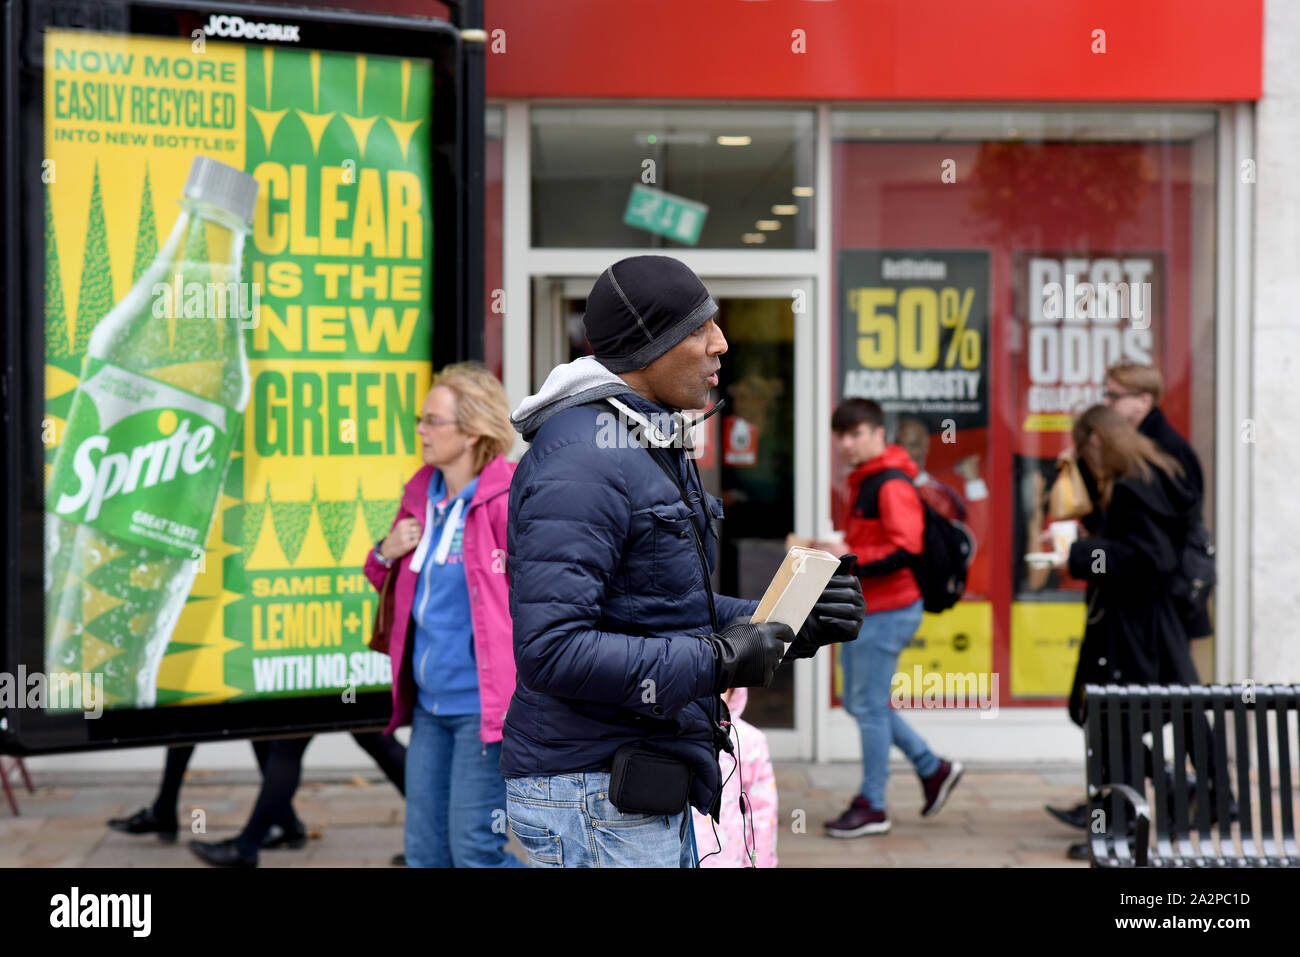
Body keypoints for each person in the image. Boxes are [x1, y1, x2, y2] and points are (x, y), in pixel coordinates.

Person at [501, 255, 864, 868]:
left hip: (626, 783)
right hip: (594, 792)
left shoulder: (643, 441)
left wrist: (784, 623)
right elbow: (552, 650)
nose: (721, 343)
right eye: (701, 328)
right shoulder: (583, 460)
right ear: (650, 346)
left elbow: (662, 608)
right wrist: (717, 657)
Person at [362, 362, 524, 868]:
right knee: (425, 853)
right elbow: (384, 577)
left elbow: (541, 591)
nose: (421, 430)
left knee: (475, 850)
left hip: (485, 710)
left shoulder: (507, 497)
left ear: (473, 431)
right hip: (430, 706)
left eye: (433, 420)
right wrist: (385, 551)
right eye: (421, 418)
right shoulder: (421, 494)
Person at [1051, 404, 1214, 858]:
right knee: (1106, 719)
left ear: (1098, 443)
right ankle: (1153, 797)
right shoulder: (1149, 473)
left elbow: (1149, 558)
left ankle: (1118, 834)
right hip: (1144, 622)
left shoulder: (1133, 486)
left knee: (1111, 723)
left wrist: (1083, 555)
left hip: (1134, 624)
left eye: (1086, 449)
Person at [823, 398, 963, 838]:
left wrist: (847, 560)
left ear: (878, 434)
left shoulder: (888, 483)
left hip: (890, 610)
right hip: (873, 609)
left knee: (867, 708)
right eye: (841, 435)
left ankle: (874, 804)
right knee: (863, 703)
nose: (847, 443)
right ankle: (932, 767)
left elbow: (908, 548)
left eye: (856, 433)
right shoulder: (866, 479)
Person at [1101, 362, 1211, 639]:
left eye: (1115, 396)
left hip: (1164, 595)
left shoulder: (1164, 450)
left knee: (1169, 677)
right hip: (1159, 594)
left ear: (1143, 401)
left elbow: (1160, 537)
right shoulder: (1148, 444)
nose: (1106, 403)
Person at [187, 732, 406, 867]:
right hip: (342, 672)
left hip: (326, 668)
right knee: (378, 739)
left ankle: (247, 847)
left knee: (287, 744)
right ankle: (434, 837)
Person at [690, 687, 778, 867]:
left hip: (730, 856)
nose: (713, 697)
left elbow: (762, 811)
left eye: (721, 688)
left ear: (734, 690)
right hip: (686, 851)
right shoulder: (680, 737)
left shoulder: (750, 740)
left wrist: (759, 862)